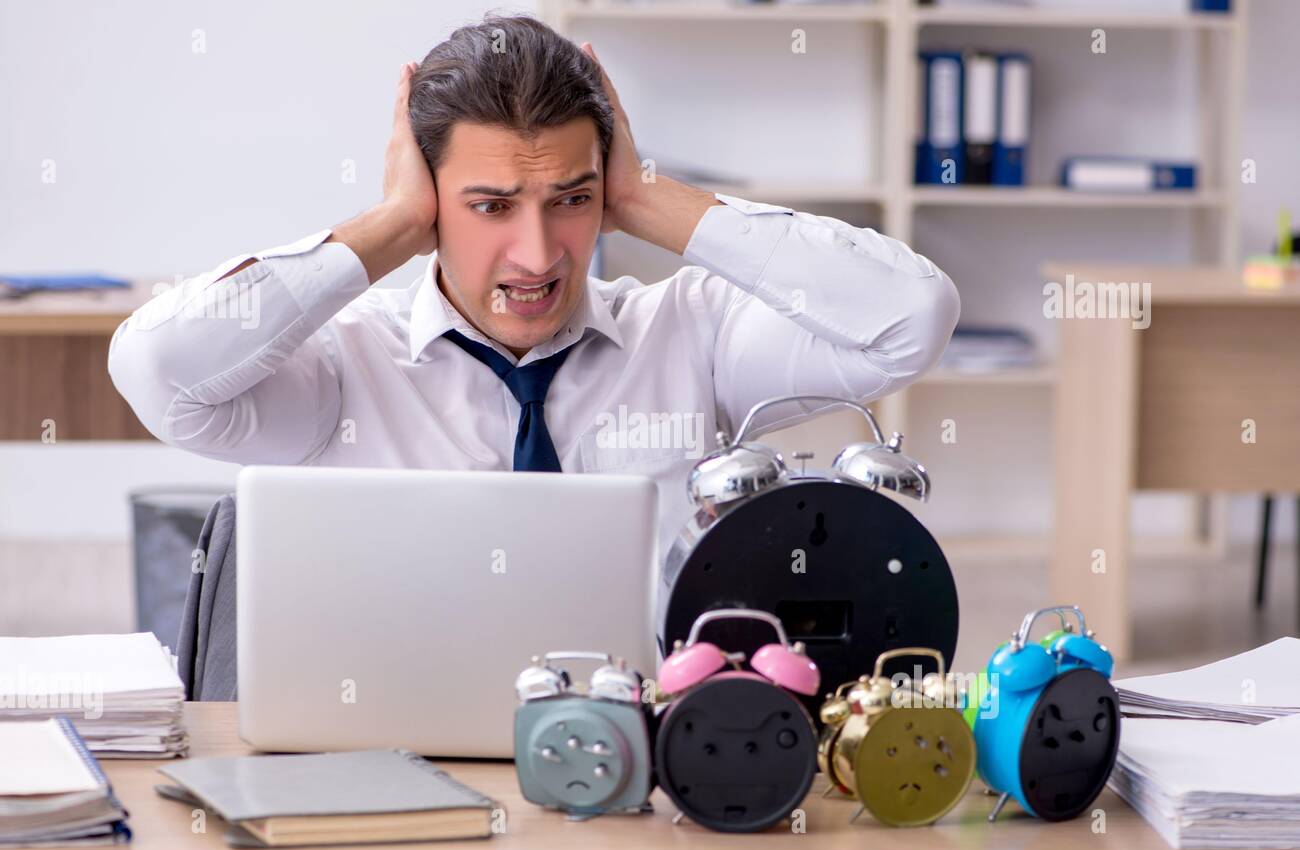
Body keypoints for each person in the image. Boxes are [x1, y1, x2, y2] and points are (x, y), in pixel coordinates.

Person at [108, 14, 960, 557]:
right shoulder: (341, 367)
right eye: (490, 206)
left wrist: (645, 200)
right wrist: (388, 229)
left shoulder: (691, 333)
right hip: (405, 764)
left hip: (635, 775)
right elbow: (158, 371)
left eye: (572, 200)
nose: (538, 253)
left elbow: (908, 318)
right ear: (429, 197)